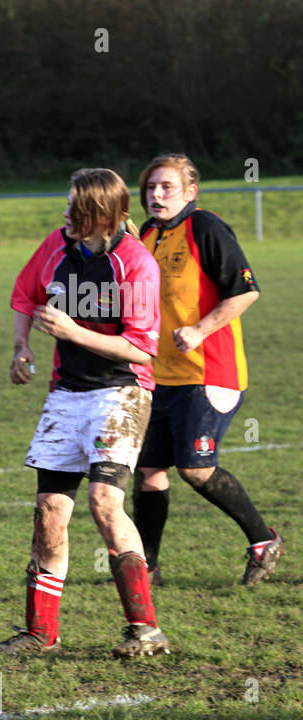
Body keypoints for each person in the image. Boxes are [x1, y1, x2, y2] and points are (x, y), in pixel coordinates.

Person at [0, 167, 167, 659]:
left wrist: (71, 332)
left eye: (76, 206)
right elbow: (27, 294)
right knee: (49, 512)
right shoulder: (56, 246)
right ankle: (40, 632)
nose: (66, 213)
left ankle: (145, 629)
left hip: (121, 394)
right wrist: (21, 346)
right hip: (67, 394)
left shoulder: (136, 264)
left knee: (105, 503)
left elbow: (140, 351)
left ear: (103, 215)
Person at [132, 154, 282, 586]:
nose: (156, 195)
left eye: (167, 187)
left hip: (210, 371)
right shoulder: (147, 233)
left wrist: (199, 330)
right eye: (150, 187)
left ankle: (262, 539)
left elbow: (245, 291)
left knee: (195, 468)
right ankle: (147, 568)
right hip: (159, 375)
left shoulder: (207, 228)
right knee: (149, 472)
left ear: (191, 192)